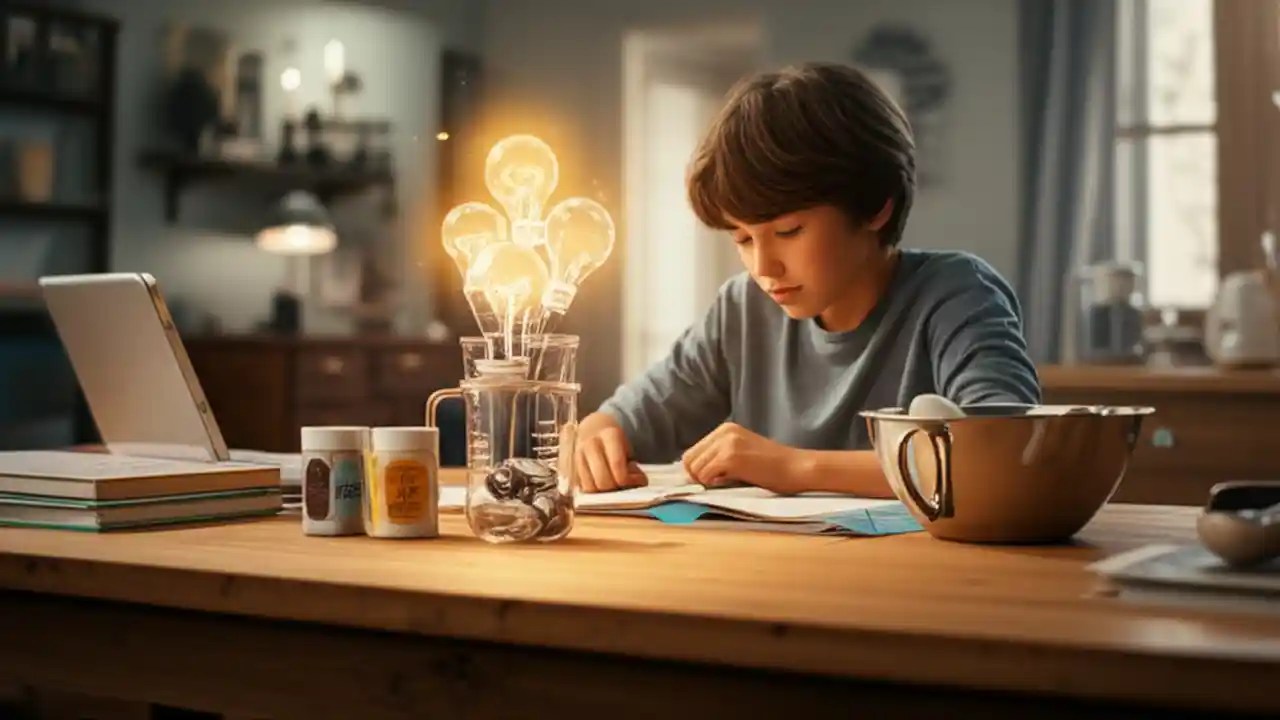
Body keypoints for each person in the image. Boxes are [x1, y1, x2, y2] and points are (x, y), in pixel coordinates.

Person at [574, 61, 1040, 497]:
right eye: (742, 239)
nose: (763, 268)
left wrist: (796, 467)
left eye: (788, 232)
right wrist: (598, 437)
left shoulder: (957, 295)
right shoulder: (742, 309)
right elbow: (622, 422)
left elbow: (999, 452)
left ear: (876, 205)